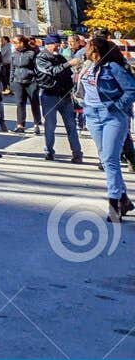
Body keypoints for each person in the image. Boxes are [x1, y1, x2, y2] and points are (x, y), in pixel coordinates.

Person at [80, 36, 135, 223]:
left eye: (88, 45)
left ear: (96, 49)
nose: (84, 48)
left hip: (112, 116)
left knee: (110, 160)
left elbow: (131, 89)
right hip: (92, 115)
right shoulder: (87, 65)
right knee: (106, 158)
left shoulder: (113, 67)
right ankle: (124, 199)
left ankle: (114, 206)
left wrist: (118, 106)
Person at [33, 32, 83, 163]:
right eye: (54, 45)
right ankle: (48, 151)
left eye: (58, 44)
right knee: (50, 125)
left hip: (64, 96)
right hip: (49, 95)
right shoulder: (40, 58)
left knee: (71, 125)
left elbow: (67, 75)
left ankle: (77, 153)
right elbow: (52, 71)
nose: (57, 47)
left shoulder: (60, 57)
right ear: (48, 44)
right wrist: (69, 64)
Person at [8, 35, 41, 135]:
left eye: (15, 42)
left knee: (34, 103)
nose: (14, 45)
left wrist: (37, 80)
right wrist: (11, 81)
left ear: (21, 43)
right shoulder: (14, 54)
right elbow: (12, 69)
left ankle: (37, 125)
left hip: (31, 81)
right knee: (20, 103)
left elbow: (37, 68)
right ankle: (20, 125)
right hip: (18, 82)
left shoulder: (31, 53)